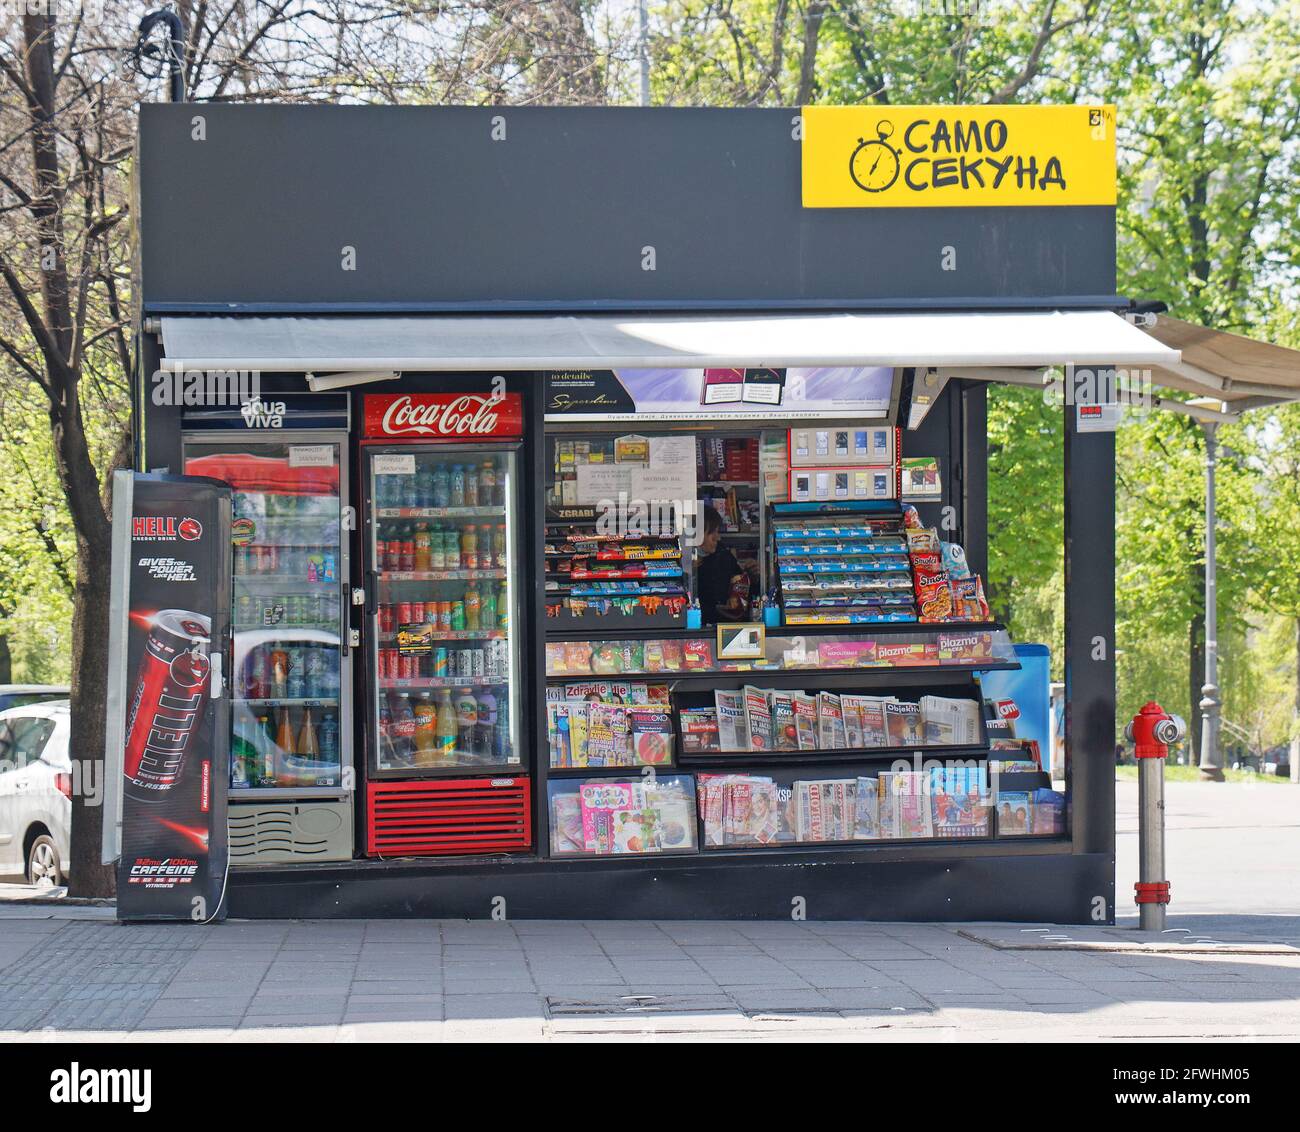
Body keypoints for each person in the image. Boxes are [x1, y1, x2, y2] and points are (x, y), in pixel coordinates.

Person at [695, 505, 748, 624]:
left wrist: (751, 576)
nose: (717, 538)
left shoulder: (724, 557)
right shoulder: (682, 560)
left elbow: (741, 588)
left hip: (722, 625)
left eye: (717, 532)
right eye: (712, 533)